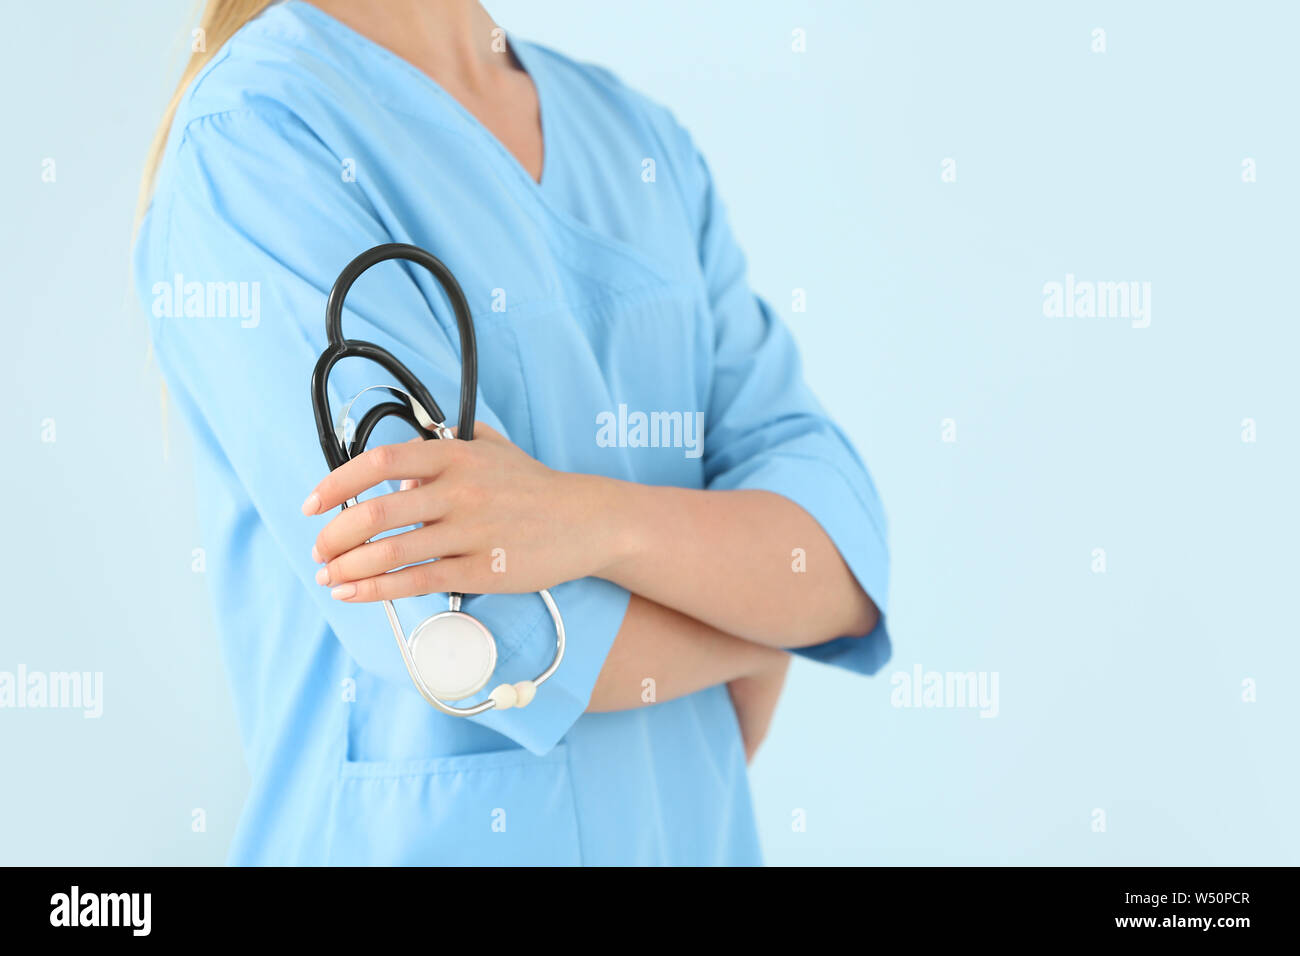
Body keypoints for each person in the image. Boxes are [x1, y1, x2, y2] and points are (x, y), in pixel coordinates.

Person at [133, 0, 891, 865]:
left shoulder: (640, 142)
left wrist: (589, 520)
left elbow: (837, 553)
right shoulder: (259, 141)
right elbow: (481, 638)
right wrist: (762, 617)